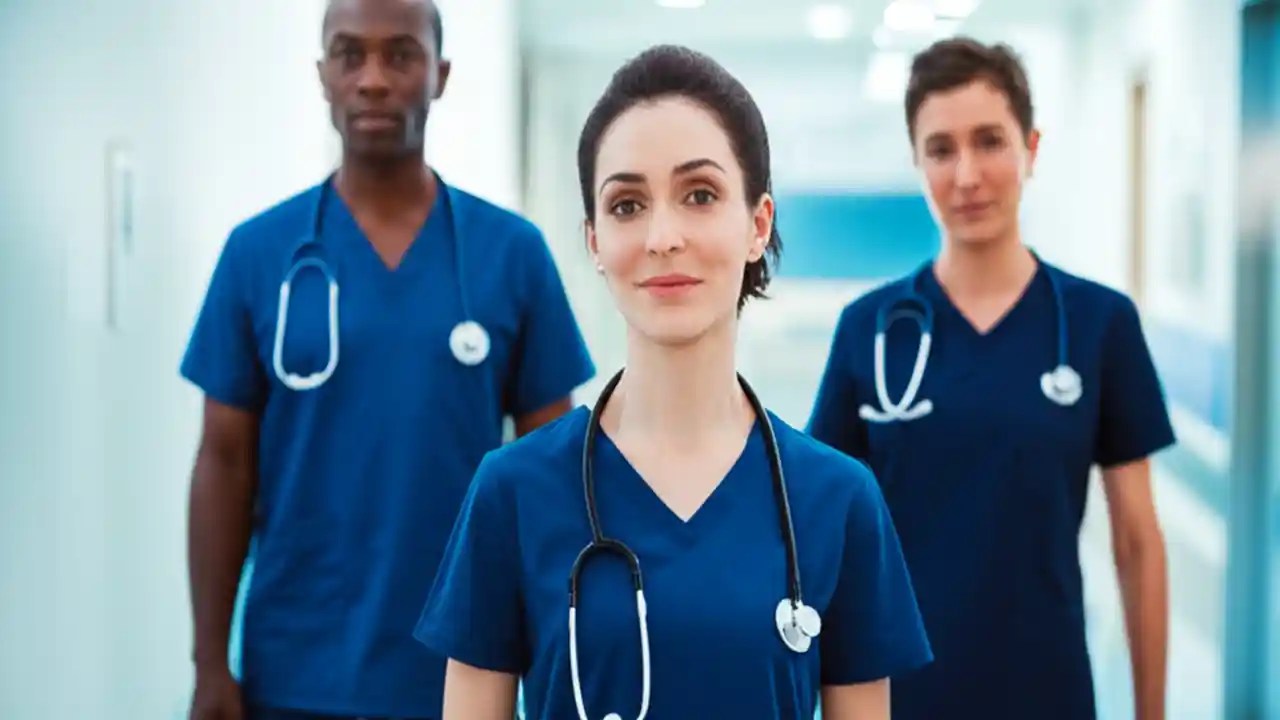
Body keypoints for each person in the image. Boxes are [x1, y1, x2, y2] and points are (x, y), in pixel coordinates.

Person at [412, 44, 933, 720]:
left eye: (700, 195)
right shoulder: (512, 492)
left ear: (758, 224)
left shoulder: (837, 501)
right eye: (627, 205)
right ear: (594, 241)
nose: (662, 235)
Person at [179, 0, 595, 718]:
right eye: (349, 55)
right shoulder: (258, 254)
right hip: (296, 670)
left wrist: (560, 653)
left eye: (400, 54)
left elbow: (550, 473)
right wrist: (211, 663)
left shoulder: (510, 254)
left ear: (441, 74)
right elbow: (224, 462)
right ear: (322, 76)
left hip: (467, 667)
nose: (373, 78)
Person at [807, 37, 1175, 720]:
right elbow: (823, 537)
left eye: (990, 141)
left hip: (1048, 688)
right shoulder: (870, 330)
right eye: (941, 149)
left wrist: (1152, 712)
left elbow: (1137, 542)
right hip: (899, 693)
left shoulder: (1099, 325)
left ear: (1031, 148)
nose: (967, 174)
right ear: (917, 161)